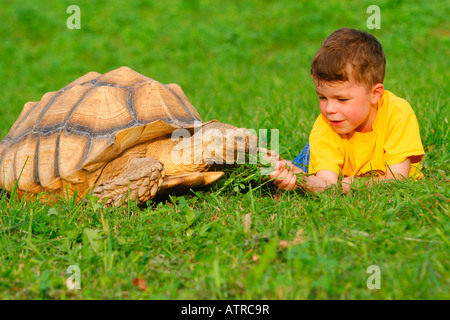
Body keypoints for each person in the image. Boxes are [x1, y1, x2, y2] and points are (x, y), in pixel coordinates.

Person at [269, 28, 425, 193]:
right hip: (331, 165)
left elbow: (397, 179)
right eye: (322, 98)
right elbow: (327, 183)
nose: (329, 109)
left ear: (375, 94)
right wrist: (301, 180)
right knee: (278, 174)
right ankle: (285, 167)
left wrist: (359, 184)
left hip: (369, 177)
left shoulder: (397, 114)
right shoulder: (326, 126)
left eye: (342, 99)